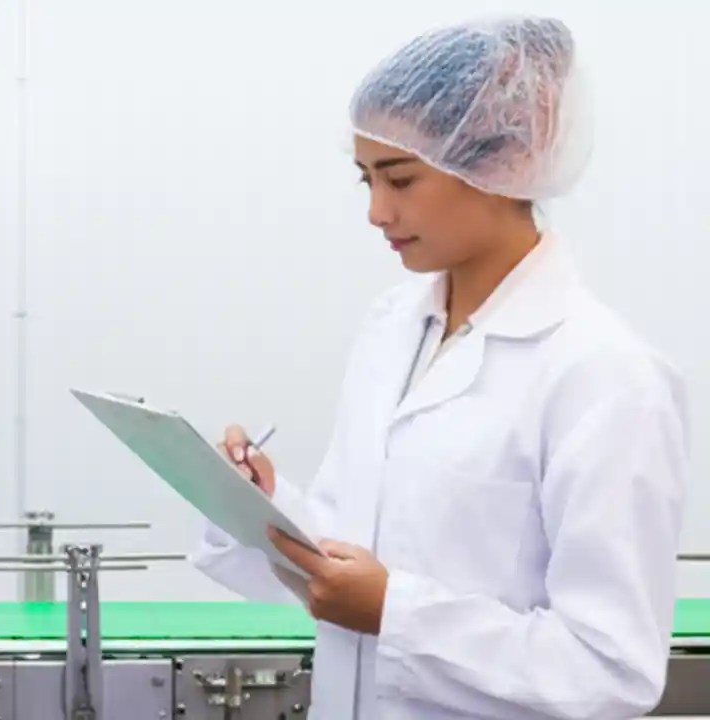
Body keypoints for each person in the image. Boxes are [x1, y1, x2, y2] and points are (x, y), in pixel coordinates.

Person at [191, 15, 689, 720]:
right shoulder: (394, 329)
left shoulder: (605, 377)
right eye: (365, 179)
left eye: (399, 179)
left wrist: (398, 613)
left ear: (503, 165)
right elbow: (354, 550)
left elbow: (609, 669)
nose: (375, 211)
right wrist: (260, 505)